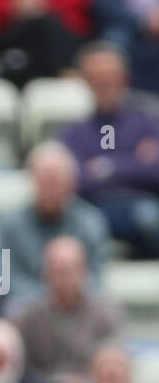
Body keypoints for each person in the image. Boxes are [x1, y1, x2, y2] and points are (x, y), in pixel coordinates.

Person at [58, 42, 159, 259]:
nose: (104, 83)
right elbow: (77, 182)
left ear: (125, 79)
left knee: (149, 217)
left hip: (146, 206)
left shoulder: (148, 123)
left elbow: (156, 171)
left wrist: (107, 166)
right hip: (94, 211)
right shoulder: (74, 133)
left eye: (110, 77)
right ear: (86, 82)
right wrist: (135, 162)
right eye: (96, 78)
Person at [0, 141, 110, 305]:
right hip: (28, 311)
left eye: (55, 182)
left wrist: (66, 292)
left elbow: (95, 279)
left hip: (76, 308)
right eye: (44, 181)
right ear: (33, 181)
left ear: (71, 183)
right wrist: (49, 299)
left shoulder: (90, 223)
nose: (50, 189)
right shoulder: (10, 225)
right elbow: (7, 281)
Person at [15, 235, 121, 383]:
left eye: (67, 271)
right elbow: (22, 369)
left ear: (83, 271)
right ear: (45, 274)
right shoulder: (30, 315)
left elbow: (114, 365)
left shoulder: (105, 312)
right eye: (55, 271)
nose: (61, 279)